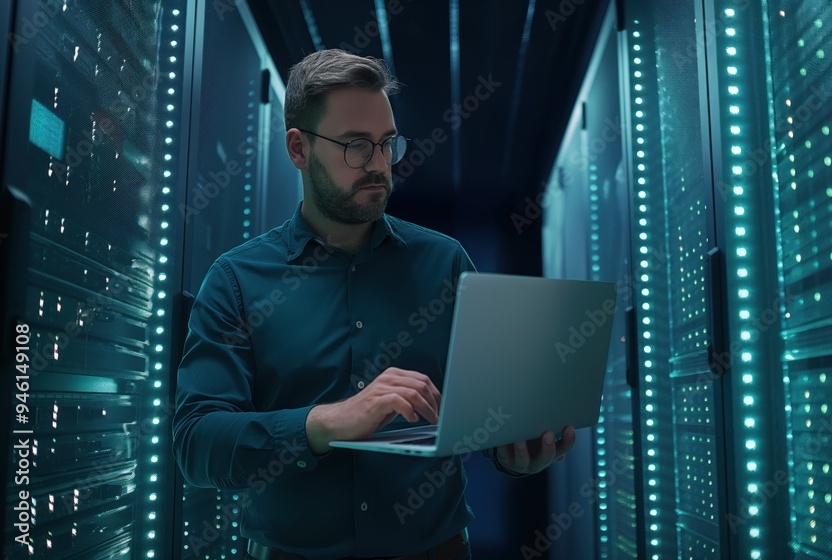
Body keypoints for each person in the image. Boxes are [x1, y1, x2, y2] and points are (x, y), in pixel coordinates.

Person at [171, 49, 576, 560]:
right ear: (299, 148)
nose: (380, 166)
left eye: (387, 144)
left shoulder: (446, 263)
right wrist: (326, 422)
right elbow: (196, 443)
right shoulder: (236, 280)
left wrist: (520, 454)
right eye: (357, 147)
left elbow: (489, 415)